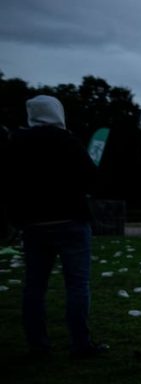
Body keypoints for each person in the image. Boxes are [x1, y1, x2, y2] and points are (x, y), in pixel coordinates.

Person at [7, 95, 107, 359]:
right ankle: (80, 344)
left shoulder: (16, 142)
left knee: (34, 287)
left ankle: (38, 346)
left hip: (34, 224)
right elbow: (91, 178)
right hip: (71, 220)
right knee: (77, 285)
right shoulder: (68, 141)